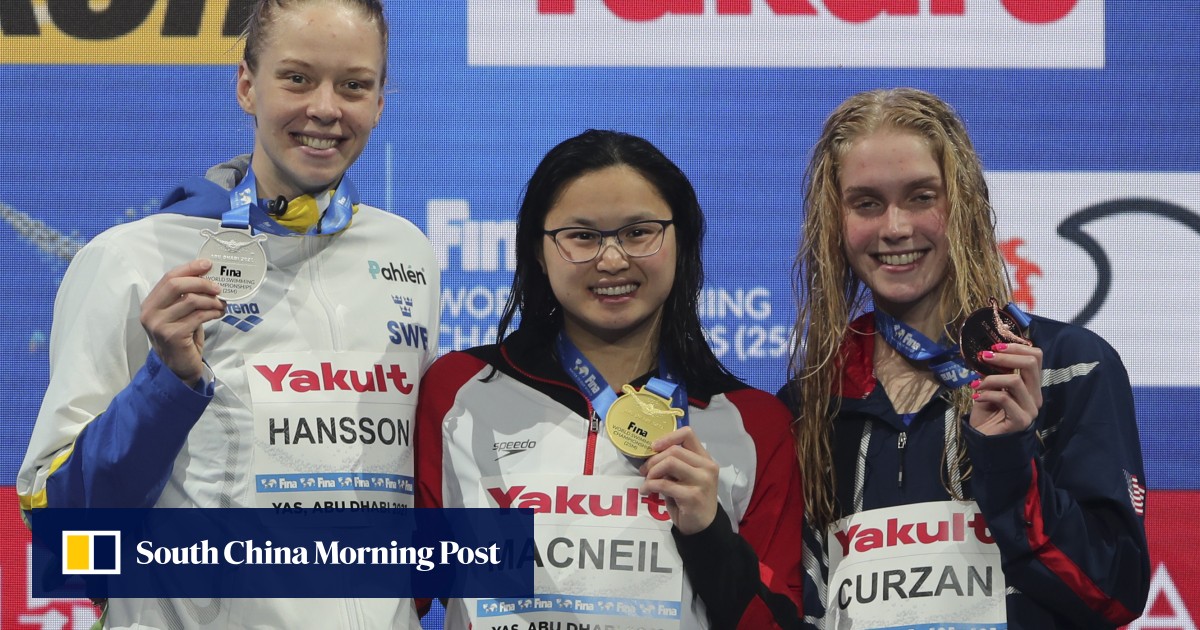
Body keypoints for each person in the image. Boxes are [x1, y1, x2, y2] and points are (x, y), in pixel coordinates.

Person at [18, 0, 439, 627]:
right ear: (247, 85)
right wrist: (169, 383)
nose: (325, 108)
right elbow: (63, 529)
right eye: (297, 78)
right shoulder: (132, 257)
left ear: (379, 103)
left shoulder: (408, 251)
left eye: (354, 85)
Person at [783, 88, 1150, 628]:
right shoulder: (812, 400)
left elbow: (1113, 593)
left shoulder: (1068, 366)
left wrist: (1006, 462)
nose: (895, 227)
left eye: (920, 196)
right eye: (866, 203)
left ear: (964, 204)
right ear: (833, 221)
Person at [415, 129, 803, 629]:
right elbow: (393, 589)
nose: (613, 259)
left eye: (639, 232)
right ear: (539, 249)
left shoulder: (755, 424)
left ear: (679, 240)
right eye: (582, 236)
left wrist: (708, 532)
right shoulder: (460, 391)